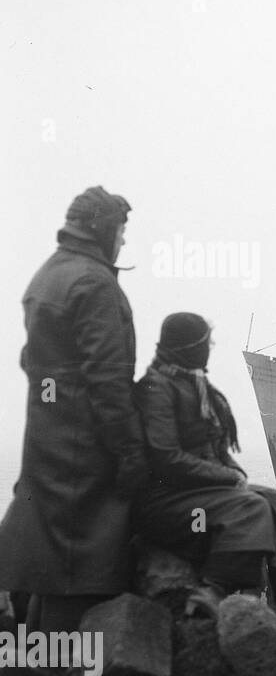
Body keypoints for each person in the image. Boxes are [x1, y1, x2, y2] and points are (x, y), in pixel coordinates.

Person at [131, 312, 276, 627]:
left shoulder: (193, 385)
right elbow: (166, 457)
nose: (209, 348)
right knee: (251, 508)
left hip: (194, 489)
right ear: (189, 345)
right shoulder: (157, 388)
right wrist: (226, 476)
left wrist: (229, 471)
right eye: (206, 342)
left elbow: (214, 450)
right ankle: (215, 590)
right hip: (164, 498)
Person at [0, 187, 149, 634]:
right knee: (85, 563)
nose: (122, 241)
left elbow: (32, 359)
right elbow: (108, 382)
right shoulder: (94, 283)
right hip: (87, 445)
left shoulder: (48, 276)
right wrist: (131, 454)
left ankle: (33, 669)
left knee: (51, 554)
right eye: (120, 231)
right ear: (102, 229)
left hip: (47, 436)